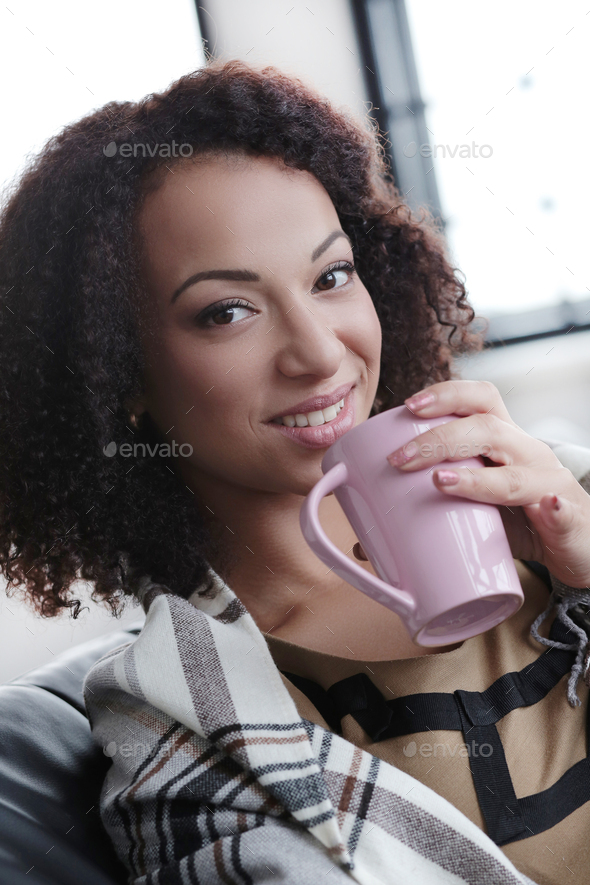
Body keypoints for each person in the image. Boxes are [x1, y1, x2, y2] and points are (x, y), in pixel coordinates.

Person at [1, 56, 590, 885]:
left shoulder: (554, 502)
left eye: (331, 276)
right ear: (119, 375)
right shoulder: (181, 731)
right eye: (227, 311)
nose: (319, 352)